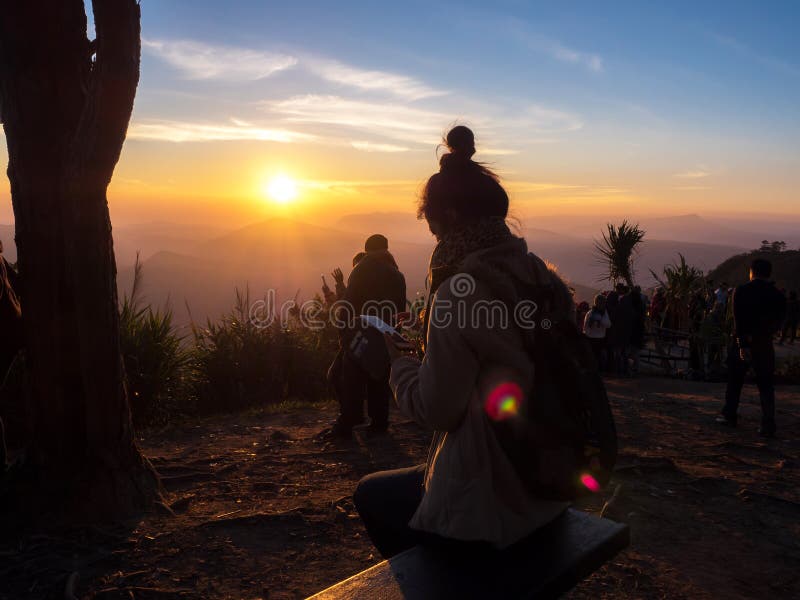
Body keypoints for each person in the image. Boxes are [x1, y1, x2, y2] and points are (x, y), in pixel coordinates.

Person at [353, 125, 574, 558]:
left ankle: (446, 579)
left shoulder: (460, 289)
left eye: (430, 220)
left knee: (370, 495)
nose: (431, 231)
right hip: (546, 483)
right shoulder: (544, 278)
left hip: (493, 502)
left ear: (450, 217)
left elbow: (437, 410)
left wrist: (399, 361)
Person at [325, 237, 406, 439]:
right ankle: (379, 423)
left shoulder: (361, 270)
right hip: (386, 334)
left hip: (360, 333)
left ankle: (348, 422)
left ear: (367, 250)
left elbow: (348, 305)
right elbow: (400, 311)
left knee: (349, 377)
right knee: (377, 377)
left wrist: (343, 334)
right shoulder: (397, 274)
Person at [717, 259, 786, 437]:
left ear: (752, 272)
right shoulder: (777, 295)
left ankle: (729, 415)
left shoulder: (742, 291)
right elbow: (779, 321)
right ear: (768, 273)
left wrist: (742, 344)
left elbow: (739, 321)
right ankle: (768, 423)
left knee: (735, 381)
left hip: (744, 341)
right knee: (765, 385)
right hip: (764, 343)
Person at [583, 294, 612, 370]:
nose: (603, 305)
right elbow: (586, 327)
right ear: (597, 303)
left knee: (598, 358)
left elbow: (608, 325)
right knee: (592, 358)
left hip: (600, 339)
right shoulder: (590, 313)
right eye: (602, 303)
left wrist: (600, 320)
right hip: (591, 338)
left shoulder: (604, 313)